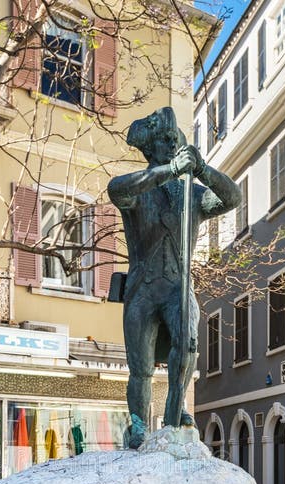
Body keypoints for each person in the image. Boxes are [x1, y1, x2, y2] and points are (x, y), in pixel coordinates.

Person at [108, 106, 241, 448]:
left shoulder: (193, 196)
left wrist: (202, 170)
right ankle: (138, 423)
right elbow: (117, 188)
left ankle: (177, 404)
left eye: (176, 141)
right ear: (150, 148)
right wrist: (169, 171)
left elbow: (233, 197)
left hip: (178, 289)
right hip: (142, 289)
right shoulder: (137, 190)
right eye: (166, 140)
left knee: (188, 342)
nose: (172, 144)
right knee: (140, 369)